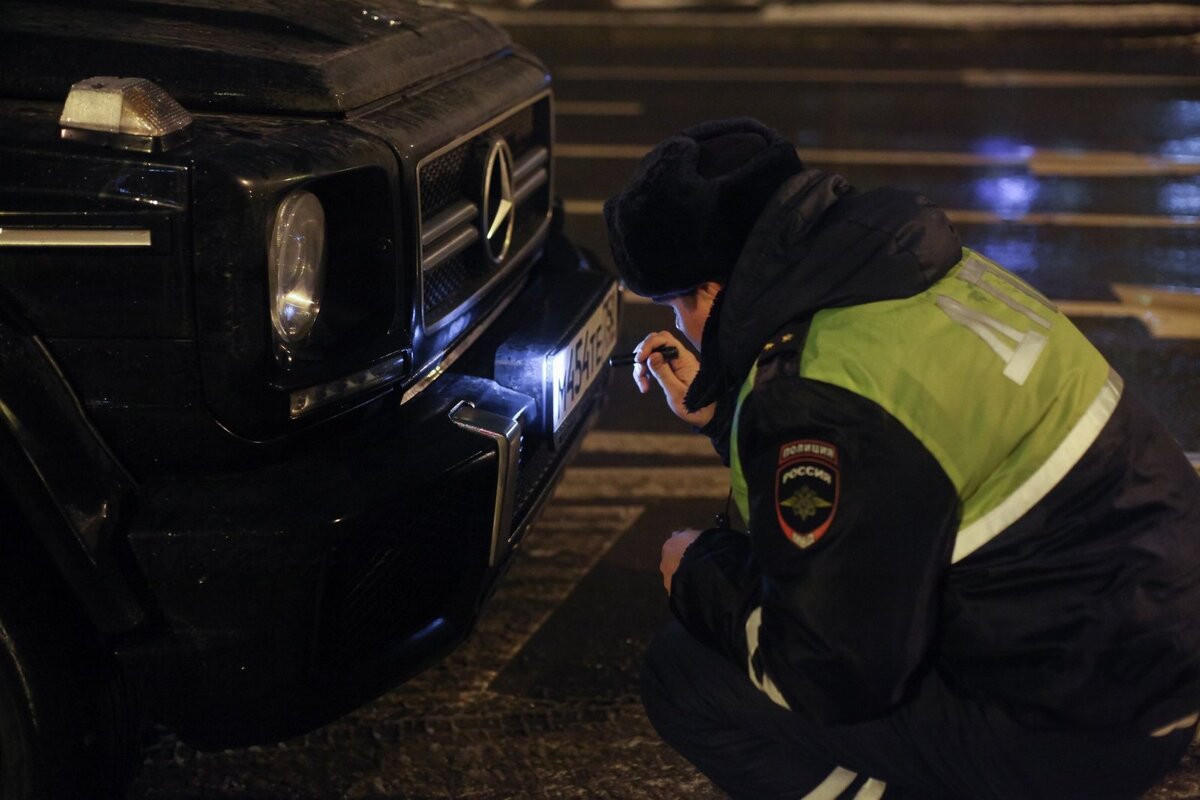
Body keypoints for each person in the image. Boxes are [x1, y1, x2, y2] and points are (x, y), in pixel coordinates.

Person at [604, 117, 1200, 800]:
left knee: (688, 675)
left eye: (676, 307)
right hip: (1154, 664)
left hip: (1083, 732)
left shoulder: (821, 396)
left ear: (708, 292)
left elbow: (829, 667)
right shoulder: (911, 275)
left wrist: (697, 576)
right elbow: (891, 471)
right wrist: (732, 416)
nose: (680, 326)